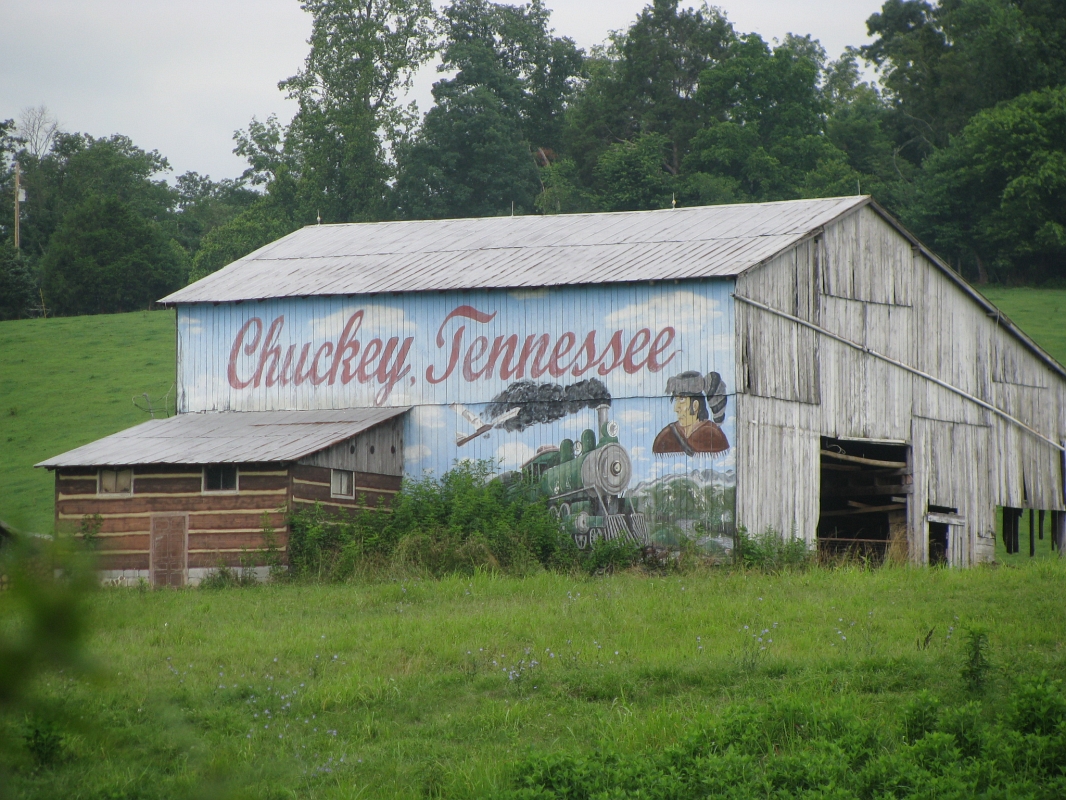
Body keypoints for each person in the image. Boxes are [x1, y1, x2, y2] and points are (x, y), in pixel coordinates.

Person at [652, 370, 729, 456]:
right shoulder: (668, 435)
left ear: (695, 405)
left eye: (681, 400)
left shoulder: (713, 435)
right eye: (676, 400)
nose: (676, 409)